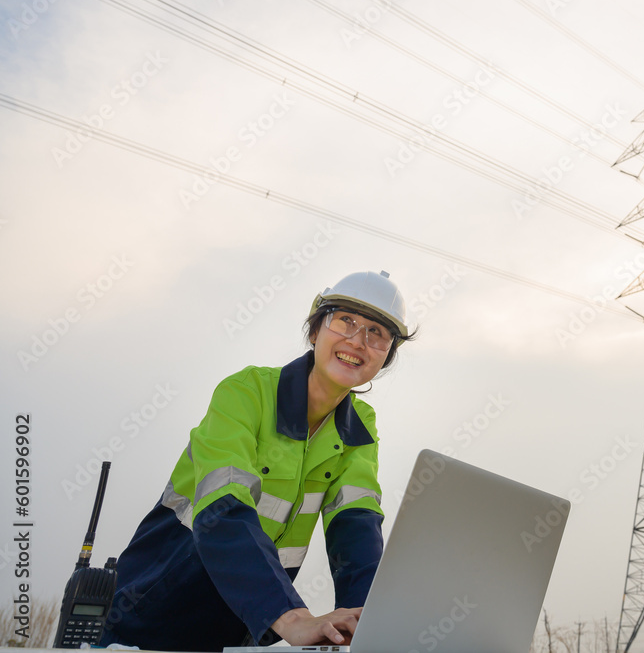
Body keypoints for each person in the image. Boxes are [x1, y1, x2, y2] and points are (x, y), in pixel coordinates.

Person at [100, 270, 414, 652]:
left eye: (377, 333)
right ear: (315, 331)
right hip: (151, 620)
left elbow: (356, 526)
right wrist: (293, 617)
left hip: (241, 631)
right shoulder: (246, 393)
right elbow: (223, 511)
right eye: (345, 320)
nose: (357, 340)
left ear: (385, 356)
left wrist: (369, 623)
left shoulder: (360, 428)